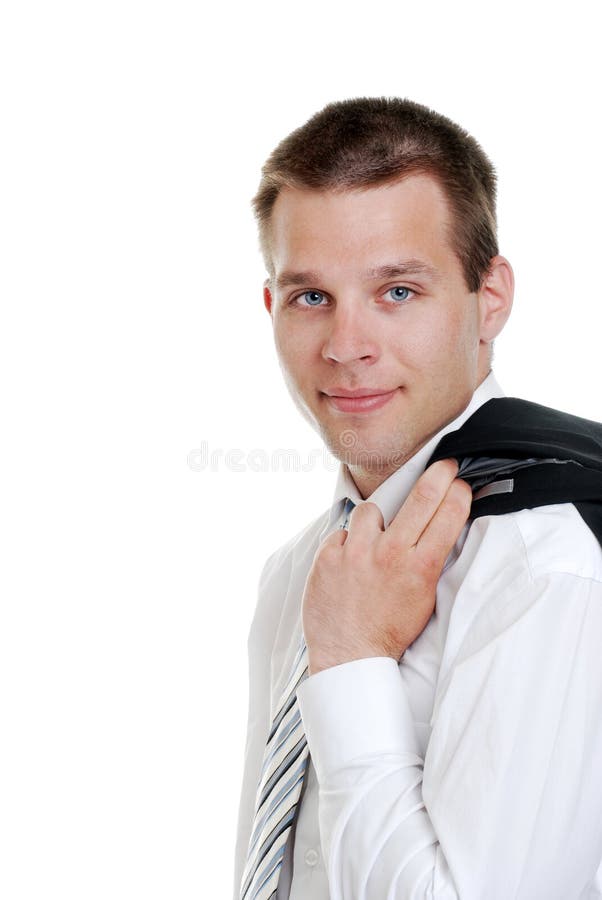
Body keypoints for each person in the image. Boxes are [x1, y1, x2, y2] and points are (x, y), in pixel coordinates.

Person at [233, 97, 602, 899]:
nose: (346, 346)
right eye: (310, 297)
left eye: (397, 292)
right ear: (272, 309)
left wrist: (354, 658)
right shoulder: (301, 567)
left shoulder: (551, 567)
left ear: (489, 298)